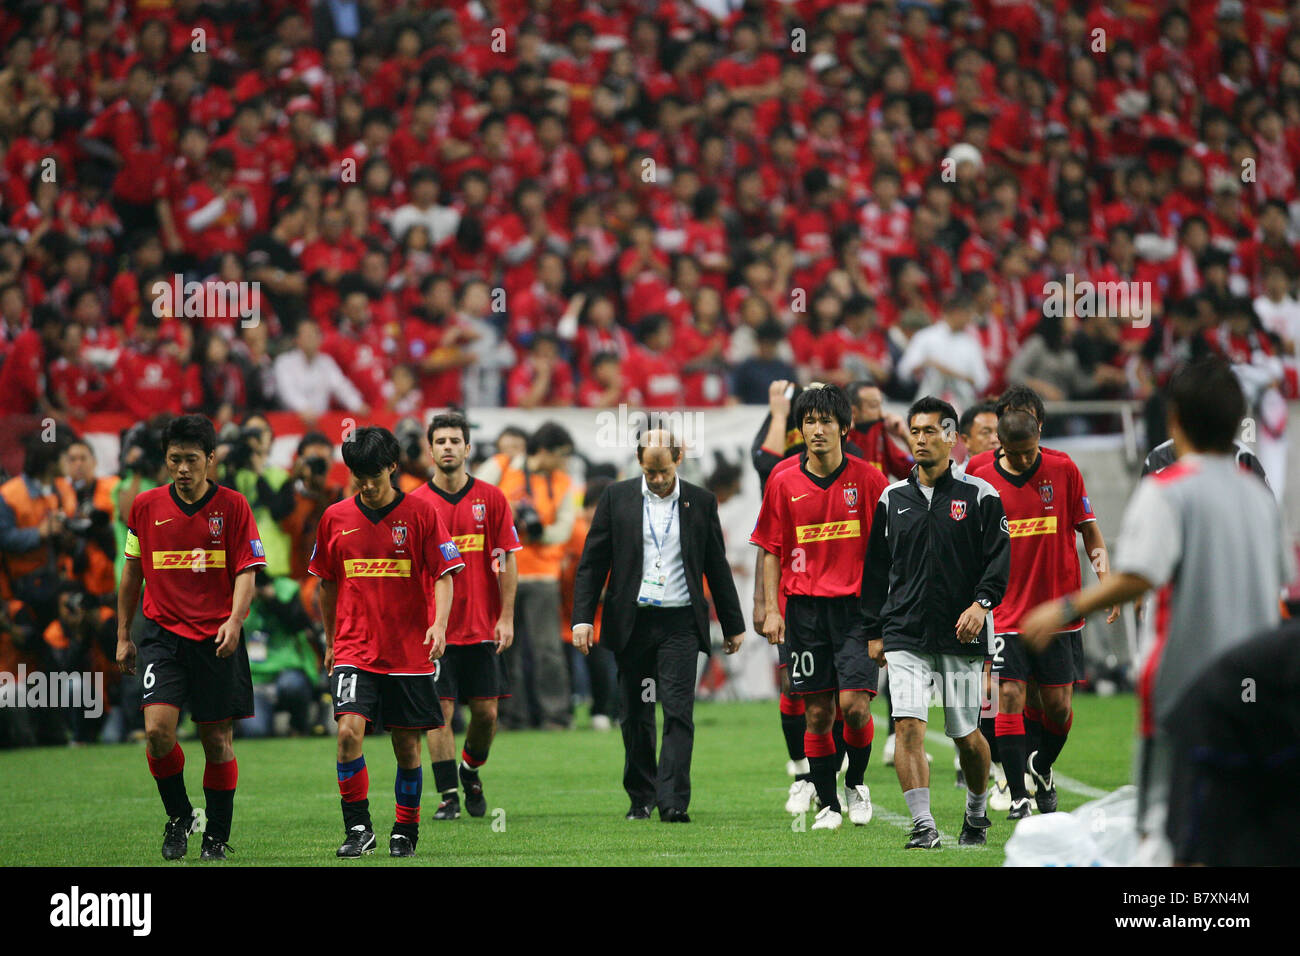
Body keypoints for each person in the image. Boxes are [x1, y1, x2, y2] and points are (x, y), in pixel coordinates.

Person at [1021, 357, 1293, 865]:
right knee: (1231, 821)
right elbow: (1283, 580)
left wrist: (1064, 608)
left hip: (1183, 685)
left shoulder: (1167, 488)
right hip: (1252, 686)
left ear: (1174, 420)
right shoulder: (1258, 496)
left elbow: (1140, 574)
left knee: (1163, 825)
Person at [572, 429, 745, 822]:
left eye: (664, 471)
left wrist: (732, 624)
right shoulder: (617, 499)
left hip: (680, 622)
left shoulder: (700, 502)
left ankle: (673, 802)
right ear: (639, 461)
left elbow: (716, 565)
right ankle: (641, 796)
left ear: (678, 458)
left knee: (679, 711)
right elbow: (592, 563)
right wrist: (583, 619)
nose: (658, 480)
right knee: (636, 712)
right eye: (650, 473)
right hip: (633, 623)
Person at [115, 415, 267, 861]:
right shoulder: (144, 507)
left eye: (192, 460)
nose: (182, 469)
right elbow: (131, 573)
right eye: (175, 460)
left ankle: (216, 836)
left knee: (217, 741)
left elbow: (246, 571)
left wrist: (235, 621)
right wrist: (125, 633)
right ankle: (180, 815)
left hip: (217, 637)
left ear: (211, 459)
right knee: (158, 732)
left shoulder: (234, 507)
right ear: (165, 460)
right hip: (162, 635)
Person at [309, 426, 465, 858]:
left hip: (408, 651)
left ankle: (405, 829)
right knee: (347, 733)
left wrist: (440, 625)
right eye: (359, 476)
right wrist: (330, 639)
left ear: (392, 468)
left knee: (406, 744)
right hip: (355, 648)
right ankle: (358, 828)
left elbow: (446, 574)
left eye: (374, 476)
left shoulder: (420, 514)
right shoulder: (335, 518)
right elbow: (326, 583)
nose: (367, 485)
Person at [862, 396, 1010, 848]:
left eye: (931, 431)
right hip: (905, 631)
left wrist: (981, 604)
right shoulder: (892, 499)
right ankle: (923, 826)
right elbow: (874, 570)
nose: (921, 439)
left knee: (967, 736)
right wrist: (873, 630)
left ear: (952, 438)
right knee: (907, 726)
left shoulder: (981, 496)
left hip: (961, 634)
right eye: (916, 430)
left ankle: (976, 812)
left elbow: (999, 561)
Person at [751, 385, 890, 829]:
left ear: (845, 428)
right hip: (804, 612)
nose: (816, 430)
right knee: (816, 711)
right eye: (808, 422)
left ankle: (857, 782)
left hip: (857, 612)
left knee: (854, 707)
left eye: (826, 422)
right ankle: (828, 803)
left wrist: (888, 617)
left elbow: (890, 552)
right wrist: (771, 609)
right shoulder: (783, 479)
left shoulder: (869, 481)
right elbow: (771, 548)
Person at [969, 409, 1118, 820]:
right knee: (1010, 697)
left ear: (1040, 437)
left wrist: (1105, 579)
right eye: (1013, 454)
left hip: (1058, 611)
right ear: (1000, 444)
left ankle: (1042, 766)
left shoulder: (1063, 469)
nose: (1021, 461)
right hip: (1004, 610)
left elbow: (1089, 529)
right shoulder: (978, 472)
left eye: (1028, 451)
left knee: (1058, 707)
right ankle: (1018, 795)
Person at [411, 412, 520, 821]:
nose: (448, 447)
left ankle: (470, 770)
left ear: (468, 448)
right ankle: (448, 796)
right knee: (440, 713)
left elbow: (506, 561)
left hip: (482, 627)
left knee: (487, 714)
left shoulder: (491, 499)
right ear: (431, 448)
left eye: (455, 440)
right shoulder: (417, 504)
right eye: (440, 441)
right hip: (435, 631)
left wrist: (506, 617)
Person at [476, 423, 579, 730]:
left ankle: (555, 717)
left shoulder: (562, 481)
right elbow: (474, 500)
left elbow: (563, 529)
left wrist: (535, 530)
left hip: (542, 576)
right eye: (561, 455)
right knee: (505, 648)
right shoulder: (501, 466)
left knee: (548, 650)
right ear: (544, 451)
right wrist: (508, 515)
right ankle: (511, 717)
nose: (565, 462)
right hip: (502, 572)